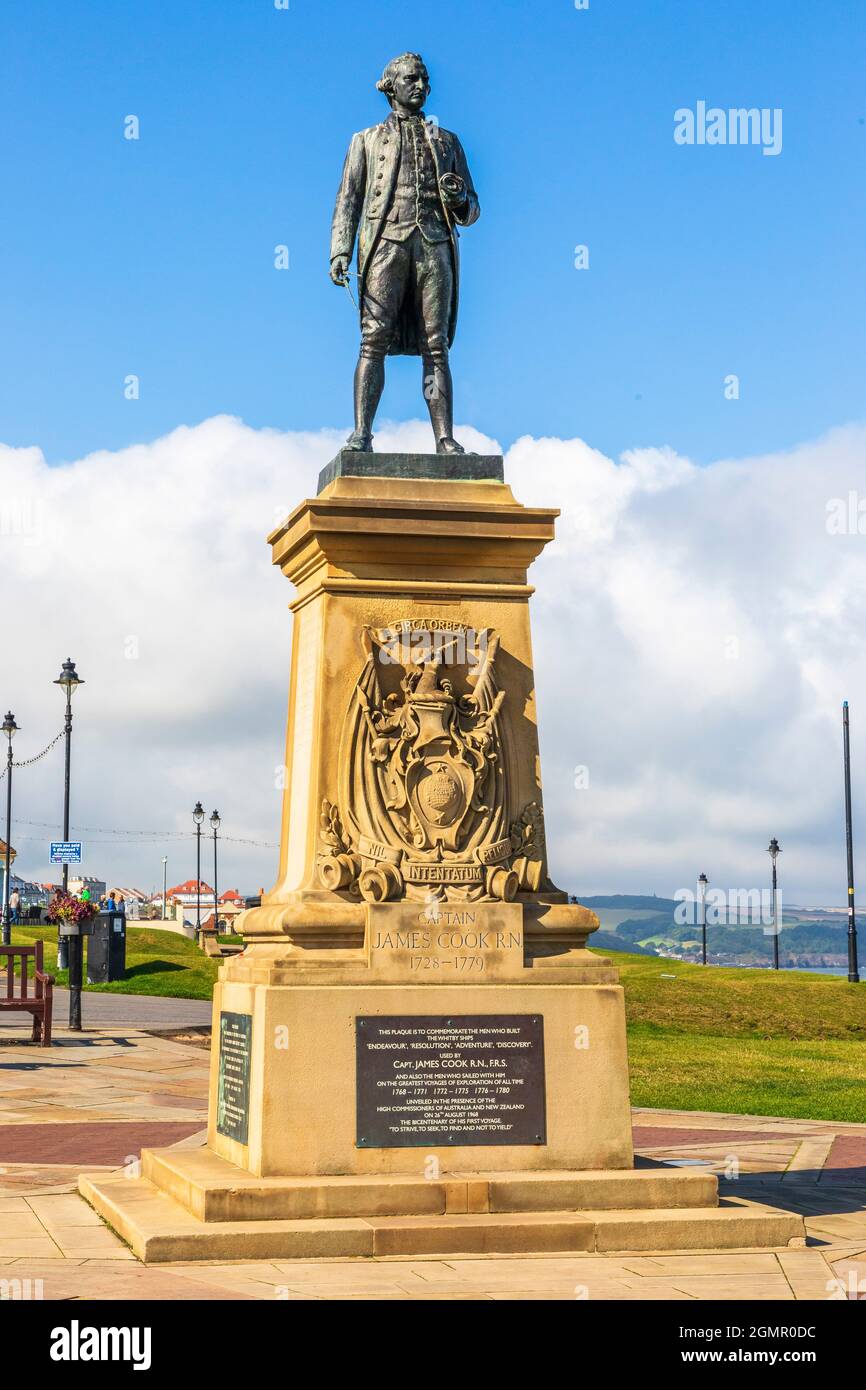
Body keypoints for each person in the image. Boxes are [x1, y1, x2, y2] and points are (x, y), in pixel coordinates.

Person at [330, 52, 479, 453]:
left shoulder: (447, 141)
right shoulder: (365, 140)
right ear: (390, 86)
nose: (421, 86)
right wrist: (340, 250)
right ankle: (362, 434)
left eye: (425, 80)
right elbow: (349, 199)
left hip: (434, 245)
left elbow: (472, 211)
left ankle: (445, 439)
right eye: (412, 79)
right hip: (386, 245)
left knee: (437, 345)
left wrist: (459, 196)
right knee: (372, 339)